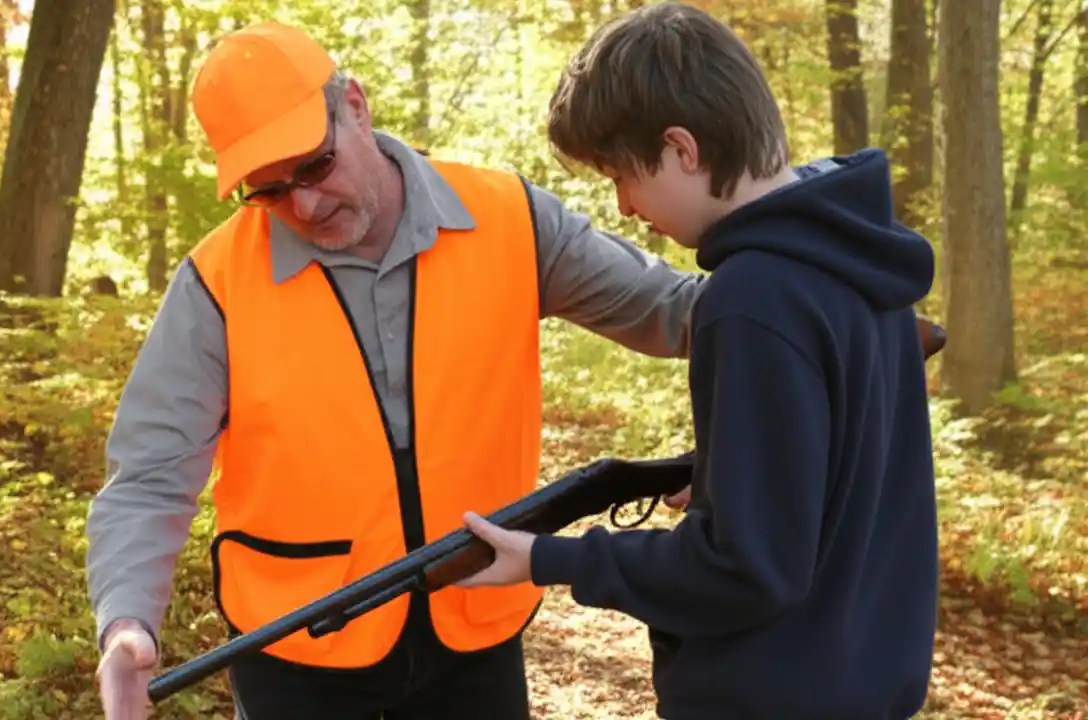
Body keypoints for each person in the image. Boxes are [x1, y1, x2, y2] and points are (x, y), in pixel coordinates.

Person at [85, 20, 706, 720]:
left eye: (316, 165)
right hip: (296, 648)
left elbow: (687, 314)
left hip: (476, 620)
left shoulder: (510, 220)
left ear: (354, 104)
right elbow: (147, 478)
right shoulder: (215, 284)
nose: (306, 204)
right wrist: (127, 621)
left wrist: (802, 250)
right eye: (269, 190)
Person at [459, 3, 940, 719]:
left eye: (622, 175)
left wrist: (548, 559)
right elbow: (839, 477)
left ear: (682, 149)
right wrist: (728, 474)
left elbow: (745, 570)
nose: (623, 207)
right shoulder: (859, 266)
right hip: (867, 687)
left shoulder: (751, 299)